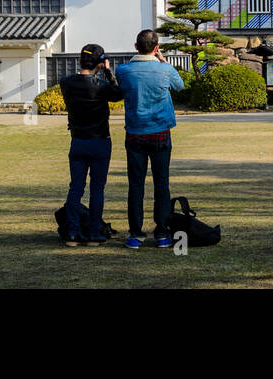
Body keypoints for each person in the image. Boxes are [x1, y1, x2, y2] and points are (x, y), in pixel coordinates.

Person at [115, 30, 183, 249]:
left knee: (136, 185)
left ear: (136, 46)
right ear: (156, 47)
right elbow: (180, 86)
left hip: (135, 133)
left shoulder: (123, 70)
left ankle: (135, 234)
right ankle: (162, 233)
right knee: (161, 184)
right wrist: (162, 60)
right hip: (160, 132)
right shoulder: (164, 69)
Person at [58, 43, 123, 246]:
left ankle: (72, 233)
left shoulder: (66, 83)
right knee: (97, 189)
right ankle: (94, 233)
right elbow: (118, 93)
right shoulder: (101, 86)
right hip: (100, 140)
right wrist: (109, 73)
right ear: (100, 63)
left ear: (79, 60)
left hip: (77, 140)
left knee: (75, 188)